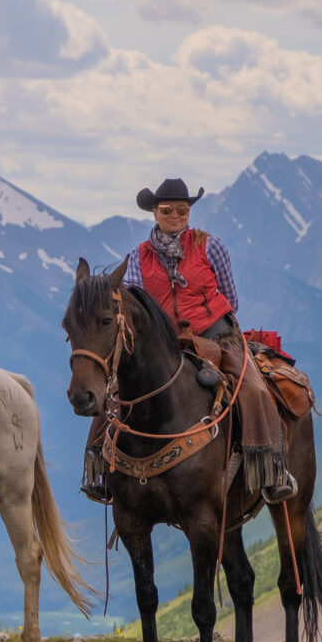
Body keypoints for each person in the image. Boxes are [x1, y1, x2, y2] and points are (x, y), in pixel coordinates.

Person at [122, 178, 297, 503]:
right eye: (167, 209)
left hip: (217, 337)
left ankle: (270, 469)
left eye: (182, 210)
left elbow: (230, 296)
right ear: (155, 213)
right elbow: (135, 304)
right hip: (165, 344)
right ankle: (101, 468)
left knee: (253, 387)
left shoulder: (209, 245)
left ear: (189, 213)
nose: (175, 215)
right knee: (117, 390)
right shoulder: (138, 257)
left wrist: (205, 324)